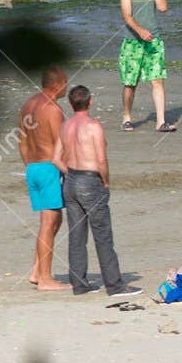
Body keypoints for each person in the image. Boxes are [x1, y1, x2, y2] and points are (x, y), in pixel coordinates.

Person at [59, 85, 139, 297]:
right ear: (90, 101)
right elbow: (101, 160)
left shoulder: (66, 125)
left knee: (76, 235)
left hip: (71, 181)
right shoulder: (93, 125)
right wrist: (106, 181)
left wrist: (71, 174)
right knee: (102, 235)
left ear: (70, 103)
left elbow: (55, 158)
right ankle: (114, 285)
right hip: (89, 180)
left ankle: (79, 283)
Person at [16, 66, 69, 291]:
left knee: (54, 220)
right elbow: (61, 144)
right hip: (49, 167)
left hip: (33, 168)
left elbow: (22, 140)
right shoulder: (53, 109)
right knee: (49, 222)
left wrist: (30, 165)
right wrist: (70, 171)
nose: (68, 86)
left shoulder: (29, 104)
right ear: (57, 85)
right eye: (66, 82)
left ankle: (37, 270)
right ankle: (46, 279)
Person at [118, 0, 173, 132]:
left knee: (157, 80)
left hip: (153, 40)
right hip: (132, 42)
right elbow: (127, 16)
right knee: (130, 83)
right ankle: (127, 117)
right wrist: (140, 30)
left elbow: (163, 7)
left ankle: (161, 122)